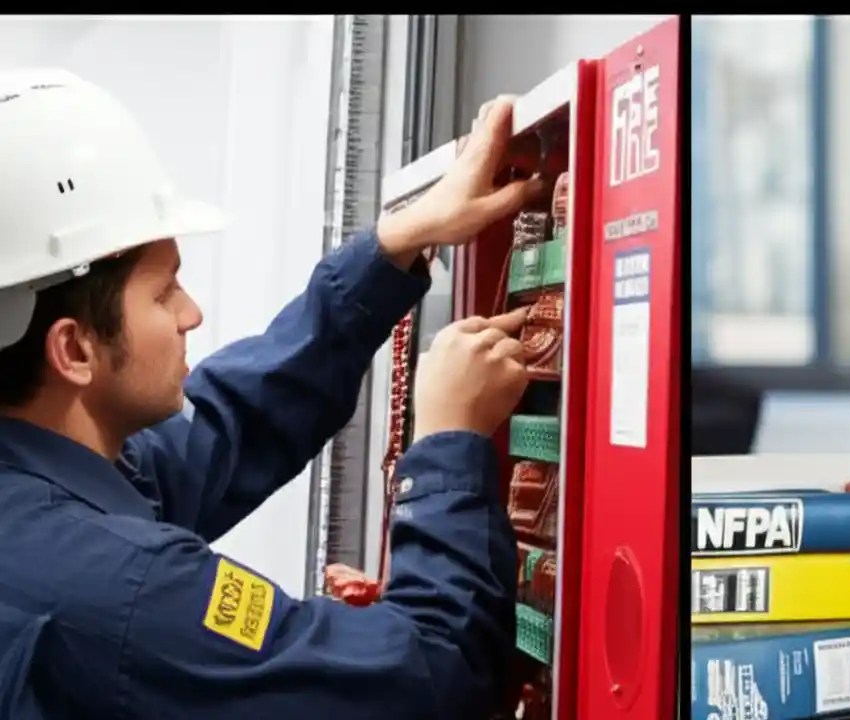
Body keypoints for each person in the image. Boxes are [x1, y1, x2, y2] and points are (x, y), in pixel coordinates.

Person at [0, 68, 541, 718]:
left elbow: (230, 423)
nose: (190, 312)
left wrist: (393, 248)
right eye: (164, 290)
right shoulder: (121, 591)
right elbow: (429, 676)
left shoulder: (43, 489)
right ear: (74, 349)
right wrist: (449, 444)